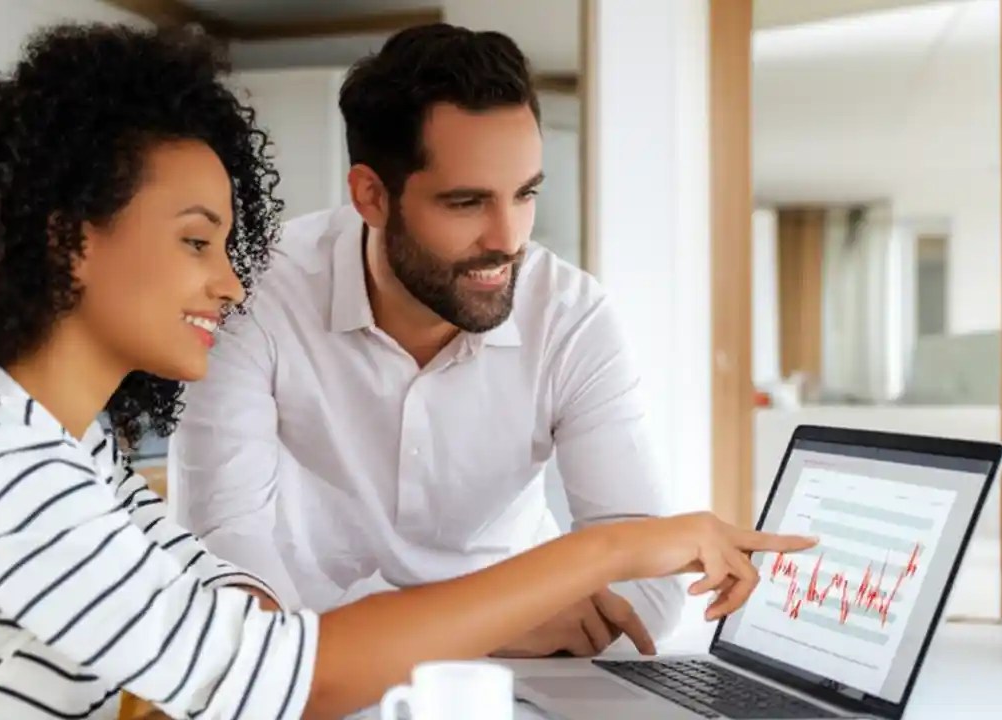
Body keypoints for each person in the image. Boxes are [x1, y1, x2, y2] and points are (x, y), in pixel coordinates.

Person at [0, 23, 813, 720]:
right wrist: (608, 551)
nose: (229, 287)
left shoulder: (56, 443)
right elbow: (263, 670)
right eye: (195, 243)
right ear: (70, 243)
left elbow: (246, 625)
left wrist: (346, 630)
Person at [170, 23, 686, 658]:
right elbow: (225, 563)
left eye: (524, 195)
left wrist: (426, 638)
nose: (508, 238)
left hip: (509, 681)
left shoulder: (571, 316)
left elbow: (650, 590)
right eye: (467, 202)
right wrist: (488, 627)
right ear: (371, 196)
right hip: (321, 682)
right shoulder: (255, 292)